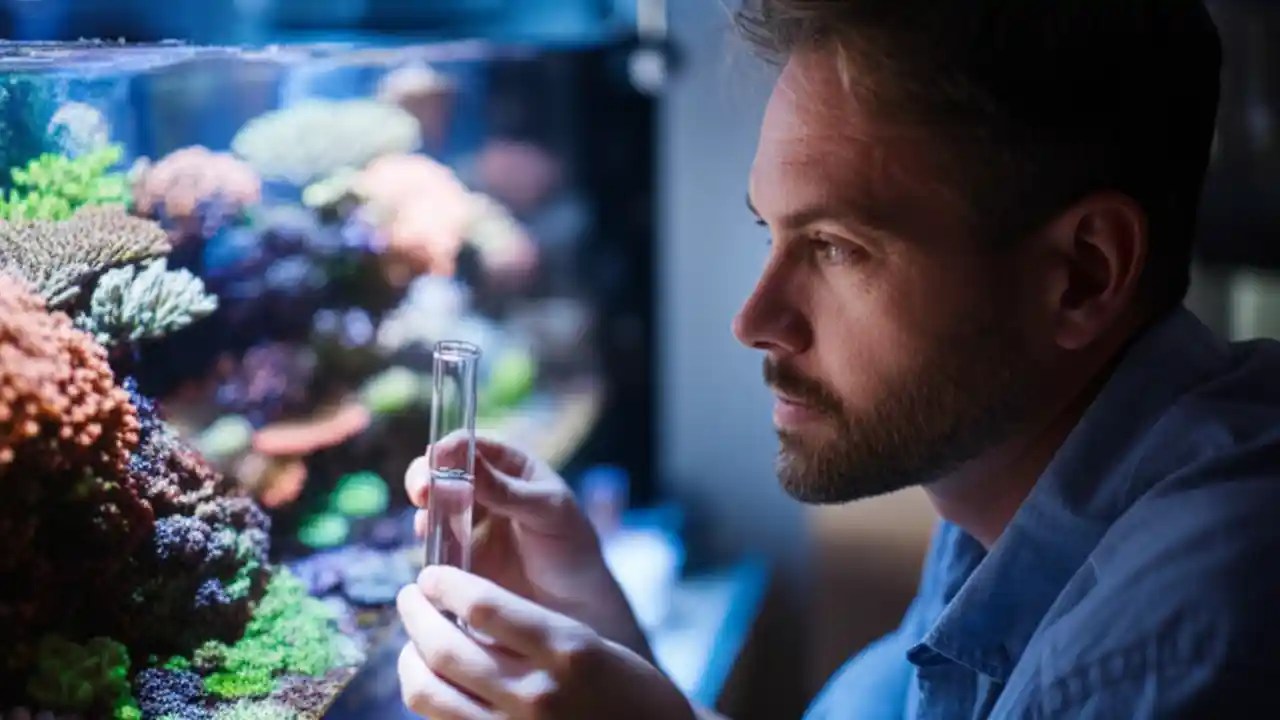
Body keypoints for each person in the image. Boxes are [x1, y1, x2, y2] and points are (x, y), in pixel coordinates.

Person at [396, 0, 1280, 717]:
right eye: (771, 232)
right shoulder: (1010, 506)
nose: (754, 319)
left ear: (1083, 274)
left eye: (837, 248)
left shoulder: (1169, 651)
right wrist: (612, 645)